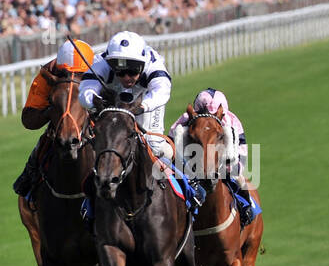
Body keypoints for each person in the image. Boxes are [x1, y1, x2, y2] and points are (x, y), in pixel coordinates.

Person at [13, 38, 94, 200]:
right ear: (59, 69)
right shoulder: (46, 75)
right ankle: (30, 175)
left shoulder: (100, 70)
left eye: (79, 75)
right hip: (59, 125)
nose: (72, 77)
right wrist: (52, 111)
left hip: (94, 120)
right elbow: (29, 119)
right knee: (45, 139)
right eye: (66, 74)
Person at [78, 31, 174, 163]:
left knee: (155, 147)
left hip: (145, 98)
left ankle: (177, 176)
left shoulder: (153, 66)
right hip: (112, 103)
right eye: (121, 72)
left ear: (142, 64)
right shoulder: (101, 63)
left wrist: (142, 107)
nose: (127, 78)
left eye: (133, 71)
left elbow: (162, 91)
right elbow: (85, 90)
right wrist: (96, 101)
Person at [169, 88, 260, 225]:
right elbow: (171, 141)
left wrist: (229, 168)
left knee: (238, 178)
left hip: (226, 160)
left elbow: (241, 148)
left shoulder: (231, 121)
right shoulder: (184, 120)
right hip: (190, 162)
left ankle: (247, 206)